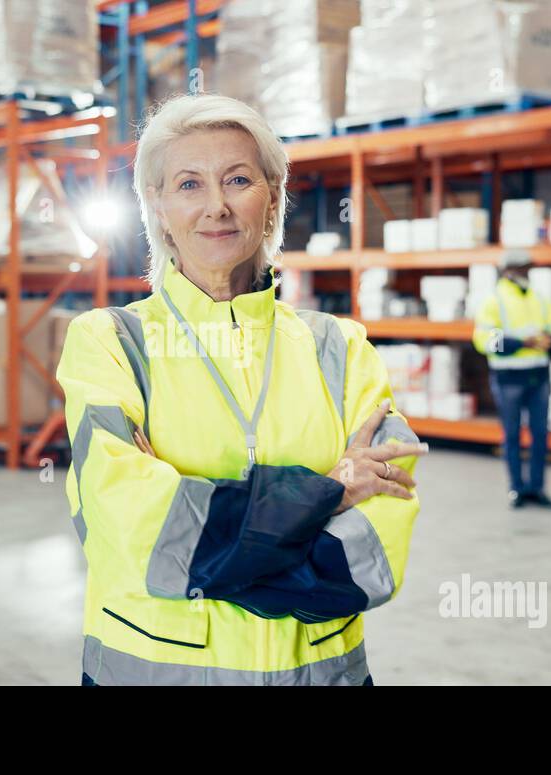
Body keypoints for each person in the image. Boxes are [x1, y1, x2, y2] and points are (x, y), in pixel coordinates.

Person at [56, 94, 427, 686]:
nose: (217, 207)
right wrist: (327, 492)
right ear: (156, 203)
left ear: (273, 196)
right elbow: (137, 529)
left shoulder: (341, 348)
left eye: (237, 179)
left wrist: (209, 538)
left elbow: (371, 560)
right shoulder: (110, 343)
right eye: (188, 185)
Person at [472, 251, 551, 509]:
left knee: (540, 435)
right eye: (522, 269)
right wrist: (524, 342)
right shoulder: (493, 300)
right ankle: (517, 489)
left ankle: (537, 488)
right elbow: (483, 340)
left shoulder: (540, 299)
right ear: (508, 271)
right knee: (512, 435)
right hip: (508, 378)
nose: (526, 274)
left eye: (528, 269)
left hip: (539, 376)